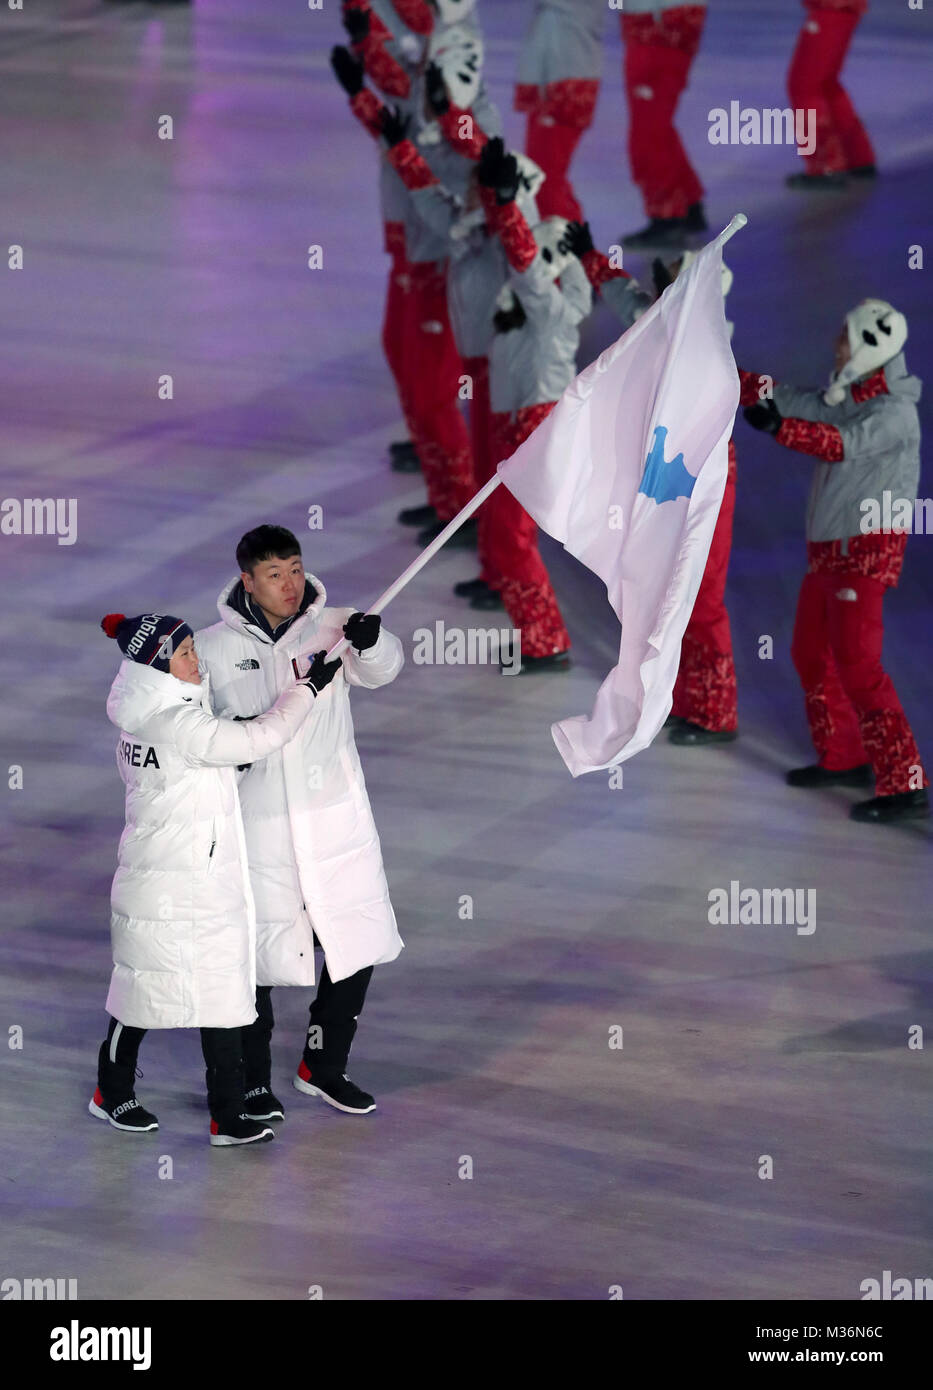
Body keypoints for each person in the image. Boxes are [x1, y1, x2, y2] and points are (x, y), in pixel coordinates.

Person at [92, 611, 337, 1146]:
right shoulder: (179, 724)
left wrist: (225, 764)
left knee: (218, 989)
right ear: (158, 667)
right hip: (170, 884)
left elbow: (193, 771)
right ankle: (111, 1092)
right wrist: (308, 687)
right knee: (144, 990)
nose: (196, 658)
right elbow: (261, 737)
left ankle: (227, 1116)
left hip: (196, 878)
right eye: (183, 654)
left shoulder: (150, 716)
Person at [195, 526, 404, 1116]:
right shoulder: (209, 648)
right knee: (258, 954)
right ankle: (253, 1082)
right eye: (273, 575)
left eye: (294, 568)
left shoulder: (336, 625)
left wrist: (372, 643)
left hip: (334, 817)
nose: (289, 585)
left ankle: (324, 1064)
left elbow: (383, 671)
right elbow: (198, 727)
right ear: (247, 581)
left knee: (353, 940)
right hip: (259, 824)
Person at [741, 300, 928, 823]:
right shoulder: (851, 397)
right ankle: (844, 756)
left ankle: (905, 780)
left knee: (860, 665)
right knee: (811, 653)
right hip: (829, 552)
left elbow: (840, 445)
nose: (835, 343)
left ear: (870, 345)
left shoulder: (893, 413)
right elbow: (797, 400)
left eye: (845, 336)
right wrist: (724, 374)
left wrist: (778, 429)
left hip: (864, 553)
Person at [619, 0, 709, 251]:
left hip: (658, 22)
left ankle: (667, 215)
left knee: (648, 128)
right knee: (656, 122)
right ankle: (688, 204)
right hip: (662, 19)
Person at [513, 0, 606, 221]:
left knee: (545, 180)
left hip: (566, 81)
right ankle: (572, 243)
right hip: (551, 78)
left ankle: (568, 247)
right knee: (544, 177)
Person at [785, 0, 875, 190]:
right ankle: (855, 156)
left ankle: (826, 165)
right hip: (839, 7)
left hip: (832, 6)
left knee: (805, 85)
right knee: (824, 84)